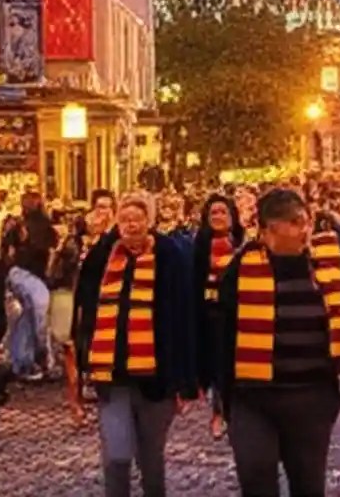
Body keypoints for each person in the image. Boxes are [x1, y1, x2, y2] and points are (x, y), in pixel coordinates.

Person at [215, 189, 340, 497]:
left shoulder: (333, 261)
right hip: (253, 397)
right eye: (295, 224)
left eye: (306, 222)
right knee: (256, 479)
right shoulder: (241, 267)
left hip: (312, 395)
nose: (304, 231)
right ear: (268, 230)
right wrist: (222, 395)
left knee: (308, 485)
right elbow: (221, 331)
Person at [72, 194, 197, 497]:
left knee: (151, 459)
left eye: (137, 219)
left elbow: (184, 318)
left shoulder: (169, 255)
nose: (131, 225)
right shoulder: (104, 255)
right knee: (116, 456)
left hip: (157, 378)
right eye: (124, 219)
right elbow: (84, 305)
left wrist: (186, 381)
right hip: (113, 378)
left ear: (150, 222)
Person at [192, 194, 245, 436]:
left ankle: (235, 409)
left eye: (223, 212)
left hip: (237, 310)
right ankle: (218, 412)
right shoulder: (199, 244)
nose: (218, 217)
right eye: (213, 213)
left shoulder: (242, 243)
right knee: (216, 362)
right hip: (209, 309)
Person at [5, 191, 58, 380]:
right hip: (25, 273)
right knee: (39, 311)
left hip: (21, 273)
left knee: (28, 315)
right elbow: (51, 253)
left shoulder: (38, 226)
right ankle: (41, 355)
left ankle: (22, 362)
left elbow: (9, 253)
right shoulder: (21, 226)